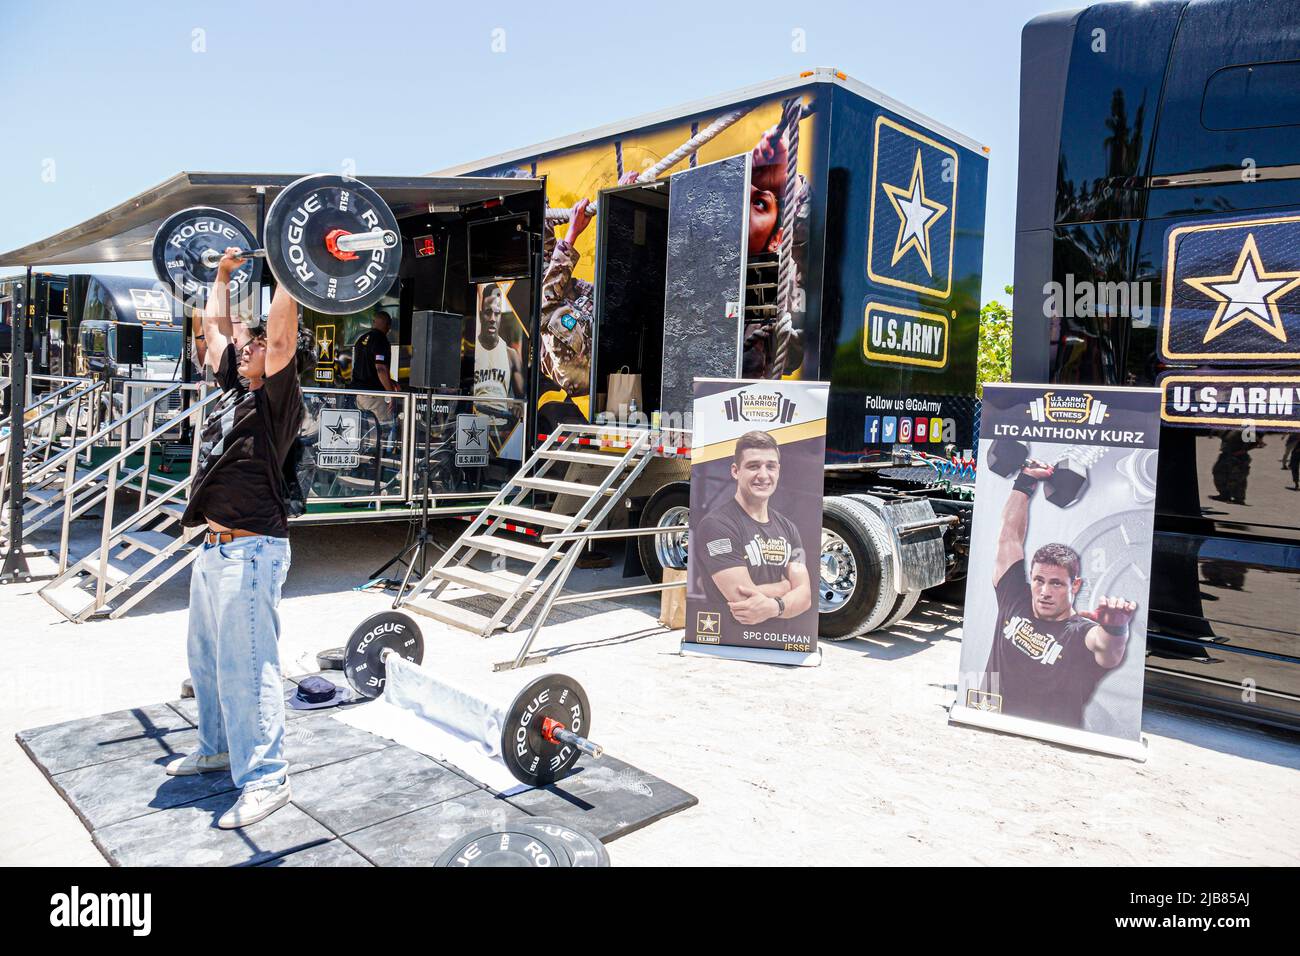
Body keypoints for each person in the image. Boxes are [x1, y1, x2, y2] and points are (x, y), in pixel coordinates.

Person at [165, 248, 308, 829]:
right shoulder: (229, 387)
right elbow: (216, 330)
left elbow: (278, 338)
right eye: (242, 348)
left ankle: (268, 778)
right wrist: (220, 277)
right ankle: (219, 749)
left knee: (249, 668)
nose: (246, 348)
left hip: (252, 550)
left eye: (255, 349)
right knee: (208, 663)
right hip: (213, 548)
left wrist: (290, 269)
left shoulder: (275, 402)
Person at [979, 457, 1137, 729]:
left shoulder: (1081, 631)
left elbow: (1107, 651)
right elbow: (1009, 536)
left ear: (1075, 585)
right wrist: (1026, 480)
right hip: (989, 722)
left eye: (1057, 583)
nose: (1044, 591)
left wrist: (1116, 629)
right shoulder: (1015, 596)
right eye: (1039, 580)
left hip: (1051, 742)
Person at [693, 430, 813, 626]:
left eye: (770, 467)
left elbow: (805, 597)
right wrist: (786, 587)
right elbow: (742, 600)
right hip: (730, 639)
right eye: (753, 466)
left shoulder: (788, 528)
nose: (763, 475)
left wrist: (774, 606)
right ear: (735, 471)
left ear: (778, 471)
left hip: (779, 644)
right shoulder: (716, 525)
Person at [537, 201, 596, 434]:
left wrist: (620, 202)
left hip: (586, 363)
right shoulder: (548, 299)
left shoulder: (575, 290)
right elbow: (547, 303)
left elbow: (545, 306)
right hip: (575, 369)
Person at [473, 283, 524, 424]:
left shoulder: (511, 355)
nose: (492, 319)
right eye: (488, 312)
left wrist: (516, 408)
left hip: (501, 427)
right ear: (481, 313)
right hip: (475, 424)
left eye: (497, 313)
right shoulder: (473, 350)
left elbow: (521, 401)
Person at [350, 309, 401, 426]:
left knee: (365, 431)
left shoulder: (361, 339)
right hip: (373, 395)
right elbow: (380, 368)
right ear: (388, 325)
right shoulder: (380, 340)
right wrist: (391, 394)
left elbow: (367, 367)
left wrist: (391, 381)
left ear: (374, 322)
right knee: (382, 430)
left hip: (358, 394)